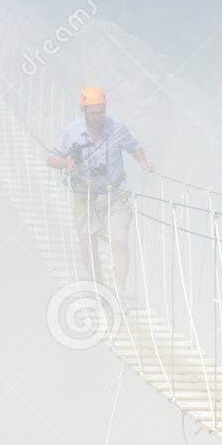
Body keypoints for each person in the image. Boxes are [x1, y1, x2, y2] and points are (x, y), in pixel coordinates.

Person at [46, 86, 152, 293]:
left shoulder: (117, 129)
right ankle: (100, 289)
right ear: (84, 111)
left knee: (119, 241)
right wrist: (66, 163)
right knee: (87, 245)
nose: (97, 117)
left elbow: (134, 147)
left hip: (116, 194)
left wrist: (143, 162)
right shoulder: (71, 132)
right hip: (84, 196)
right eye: (93, 113)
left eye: (101, 112)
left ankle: (119, 293)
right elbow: (50, 158)